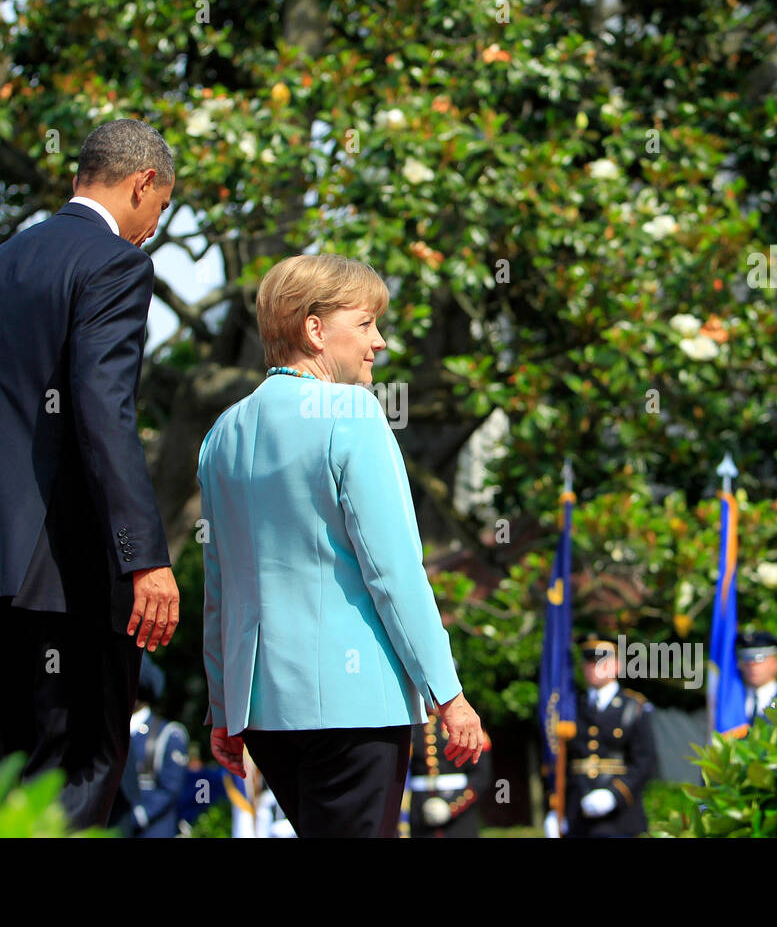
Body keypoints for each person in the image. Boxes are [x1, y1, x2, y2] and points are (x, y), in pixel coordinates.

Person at [0, 118, 180, 830]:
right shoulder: (115, 265)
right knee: (80, 769)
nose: (151, 228)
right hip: (63, 576)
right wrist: (144, 557)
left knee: (2, 774)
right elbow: (104, 414)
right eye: (159, 209)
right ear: (142, 184)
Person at [199, 253, 485, 838]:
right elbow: (395, 572)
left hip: (265, 712)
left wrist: (225, 709)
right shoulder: (352, 413)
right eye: (365, 323)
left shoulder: (221, 434)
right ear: (314, 328)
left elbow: (218, 586)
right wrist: (447, 694)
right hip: (357, 708)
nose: (378, 341)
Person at [561, 637, 656, 837]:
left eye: (601, 662)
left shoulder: (634, 707)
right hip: (578, 817)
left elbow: (645, 762)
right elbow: (562, 761)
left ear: (616, 666)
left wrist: (615, 795)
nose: (594, 667)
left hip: (621, 818)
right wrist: (555, 809)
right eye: (589, 662)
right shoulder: (571, 707)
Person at [111, 661, 189, 838]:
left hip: (152, 829)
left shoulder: (169, 734)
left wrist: (139, 815)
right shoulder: (112, 732)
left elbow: (170, 787)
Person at [407, 712, 492, 838]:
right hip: (419, 810)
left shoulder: (465, 721)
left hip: (460, 814)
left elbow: (481, 775)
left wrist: (452, 805)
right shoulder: (412, 722)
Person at [737, 630, 777, 723]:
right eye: (747, 660)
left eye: (759, 660)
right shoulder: (730, 702)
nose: (752, 666)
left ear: (775, 663)